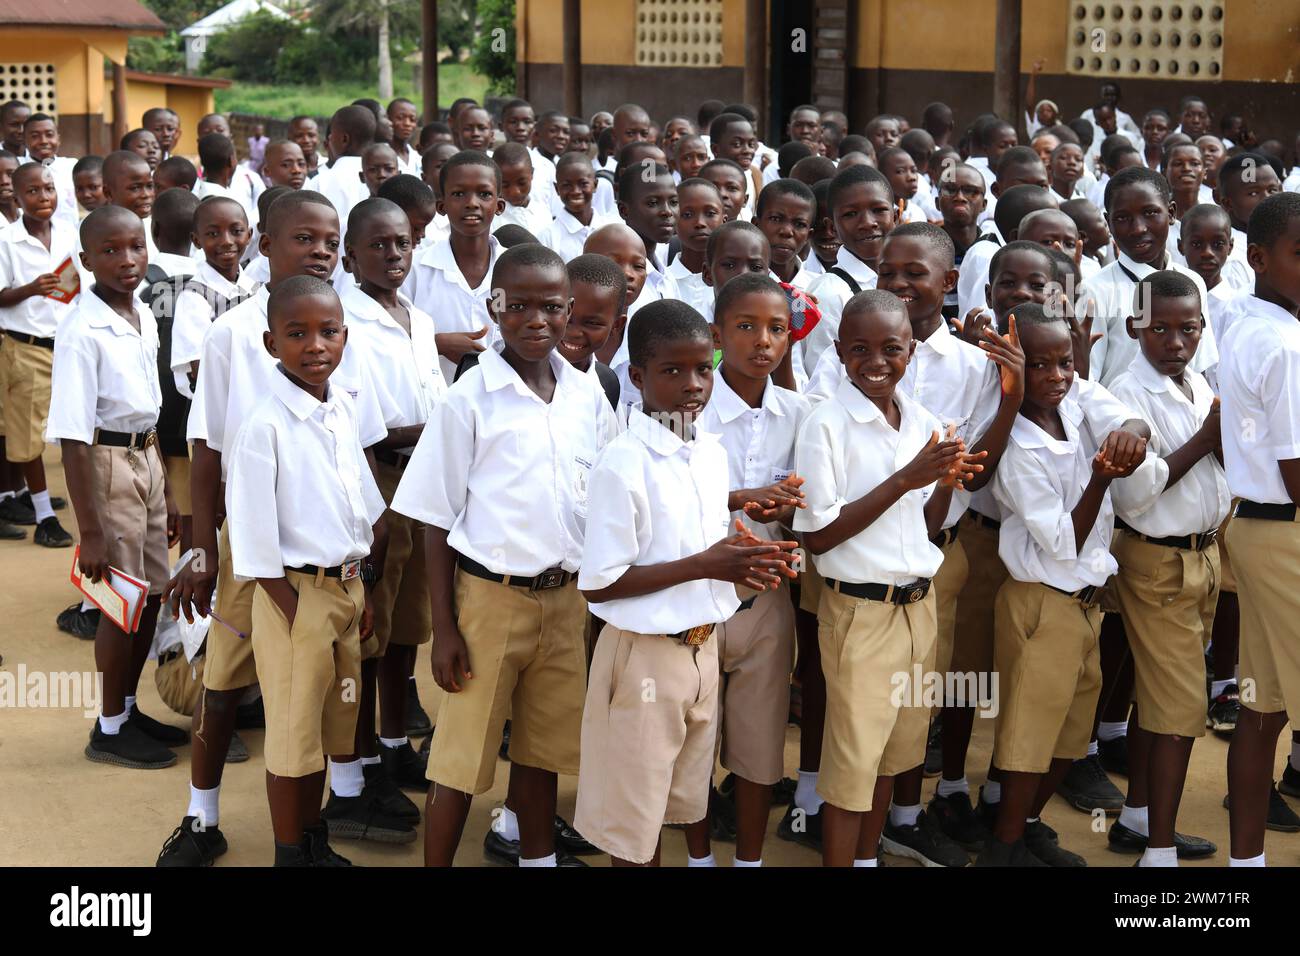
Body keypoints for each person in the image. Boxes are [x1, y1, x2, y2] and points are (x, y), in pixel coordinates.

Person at [156, 190, 386, 867]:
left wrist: (374, 550)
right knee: (223, 683)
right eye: (303, 238)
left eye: (330, 240)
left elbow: (357, 441)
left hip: (327, 557)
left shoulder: (342, 328)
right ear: (264, 243)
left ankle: (315, 825)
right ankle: (201, 818)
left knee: (324, 696)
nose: (319, 250)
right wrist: (200, 550)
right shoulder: (233, 333)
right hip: (255, 555)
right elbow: (209, 447)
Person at [390, 243, 619, 867]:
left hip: (565, 600)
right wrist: (444, 629)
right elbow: (436, 521)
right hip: (488, 602)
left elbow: (604, 495)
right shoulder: (468, 400)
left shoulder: (587, 396)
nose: (536, 320)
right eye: (518, 306)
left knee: (542, 752)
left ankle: (536, 857)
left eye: (551, 307)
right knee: (461, 759)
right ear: (494, 309)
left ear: (570, 311)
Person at [575, 298, 796, 865]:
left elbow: (686, 524)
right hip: (645, 655)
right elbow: (599, 584)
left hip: (702, 648)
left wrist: (745, 541)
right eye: (672, 371)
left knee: (685, 797)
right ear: (638, 376)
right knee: (636, 818)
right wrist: (710, 564)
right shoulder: (621, 463)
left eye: (703, 367)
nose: (693, 384)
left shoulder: (707, 451)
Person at [796, 289, 982, 866]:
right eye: (860, 349)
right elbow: (818, 535)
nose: (876, 362)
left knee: (893, 754)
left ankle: (867, 857)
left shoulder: (924, 422)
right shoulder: (824, 425)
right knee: (853, 760)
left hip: (916, 607)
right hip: (860, 611)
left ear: (912, 353)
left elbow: (926, 528)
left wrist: (946, 477)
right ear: (839, 350)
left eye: (892, 349)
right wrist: (907, 477)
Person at [979, 301, 1153, 866]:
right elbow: (1061, 542)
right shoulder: (1018, 447)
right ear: (1010, 367)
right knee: (1028, 737)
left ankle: (1026, 825)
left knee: (1072, 736)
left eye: (1064, 363)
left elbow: (1128, 418)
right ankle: (1004, 848)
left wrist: (1129, 433)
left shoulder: (1073, 399)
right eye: (1039, 365)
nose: (1055, 377)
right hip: (1041, 603)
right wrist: (1101, 478)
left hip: (1082, 604)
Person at [224, 275, 386, 865]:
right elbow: (252, 539)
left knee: (327, 727)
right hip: (294, 596)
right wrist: (294, 613)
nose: (316, 345)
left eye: (329, 331)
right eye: (297, 334)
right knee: (293, 739)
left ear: (345, 337)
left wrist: (360, 591)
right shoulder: (264, 426)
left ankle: (312, 839)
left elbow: (362, 510)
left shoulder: (341, 408)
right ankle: (291, 853)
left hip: (344, 589)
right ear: (271, 343)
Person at [682, 272, 810, 866]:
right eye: (746, 327)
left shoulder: (800, 414)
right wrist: (740, 499)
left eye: (777, 329)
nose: (763, 341)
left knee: (760, 746)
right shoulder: (687, 412)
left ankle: (750, 860)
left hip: (768, 602)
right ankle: (701, 855)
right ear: (715, 334)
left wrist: (789, 511)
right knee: (693, 742)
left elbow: (812, 507)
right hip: (697, 600)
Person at [48, 205, 182, 768]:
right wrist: (91, 531)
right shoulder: (81, 331)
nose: (126, 261)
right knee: (119, 605)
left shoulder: (141, 315)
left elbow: (150, 409)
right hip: (105, 464)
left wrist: (168, 491)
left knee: (151, 592)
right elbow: (74, 441)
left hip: (145, 456)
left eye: (135, 247)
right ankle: (107, 728)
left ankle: (126, 708)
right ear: (85, 260)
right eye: (110, 251)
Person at [1105, 270, 1225, 866]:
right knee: (1179, 710)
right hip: (1156, 563)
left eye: (1188, 328)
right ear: (1135, 328)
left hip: (1201, 555)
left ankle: (1134, 818)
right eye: (1160, 329)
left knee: (1160, 699)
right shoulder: (1126, 395)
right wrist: (1207, 439)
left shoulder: (1197, 384)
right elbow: (1133, 496)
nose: (1175, 341)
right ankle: (1157, 852)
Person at [1220, 192, 1300, 866]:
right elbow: (1299, 470)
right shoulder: (1285, 342)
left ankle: (1247, 865)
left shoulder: (1244, 320)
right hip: (1289, 535)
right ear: (1259, 257)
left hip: (1257, 528)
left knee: (1261, 707)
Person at [0, 162, 77, 546]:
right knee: (29, 436)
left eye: (48, 189)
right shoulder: (6, 241)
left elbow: (82, 283)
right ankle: (44, 514)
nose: (44, 197)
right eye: (33, 192)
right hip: (27, 347)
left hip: (69, 346)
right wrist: (29, 289)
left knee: (75, 430)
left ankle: (61, 503)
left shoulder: (69, 234)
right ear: (17, 198)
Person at [1083, 166, 1217, 386]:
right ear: (1109, 222)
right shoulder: (1095, 292)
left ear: (1171, 213)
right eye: (1123, 217)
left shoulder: (1193, 283)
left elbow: (1199, 368)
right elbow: (1087, 382)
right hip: (1125, 417)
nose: (1138, 229)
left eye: (1150, 213)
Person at [404, 151, 503, 381]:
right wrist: (436, 344)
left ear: (499, 206)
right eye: (458, 194)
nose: (471, 203)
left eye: (484, 194)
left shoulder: (513, 270)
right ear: (441, 206)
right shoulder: (415, 270)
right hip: (433, 406)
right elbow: (389, 343)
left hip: (501, 405)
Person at [803, 165, 896, 376]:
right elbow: (822, 382)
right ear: (833, 227)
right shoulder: (830, 294)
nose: (867, 223)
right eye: (851, 214)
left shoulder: (902, 282)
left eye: (878, 210)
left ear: (896, 215)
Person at [666, 177, 725, 317]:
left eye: (710, 214)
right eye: (687, 215)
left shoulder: (732, 283)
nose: (700, 223)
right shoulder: (662, 282)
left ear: (724, 220)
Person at [539, 153, 609, 262]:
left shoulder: (609, 229)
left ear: (595, 185)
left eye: (583, 183)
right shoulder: (547, 237)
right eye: (567, 185)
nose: (576, 191)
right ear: (557, 189)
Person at [23, 113, 78, 231]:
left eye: (49, 135)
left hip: (71, 237)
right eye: (35, 136)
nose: (43, 141)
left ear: (58, 139)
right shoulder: (18, 169)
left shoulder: (71, 166)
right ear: (24, 140)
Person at [491, 142, 552, 238]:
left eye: (521, 183)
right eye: (505, 185)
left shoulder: (543, 210)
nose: (515, 192)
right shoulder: (492, 219)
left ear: (532, 174)